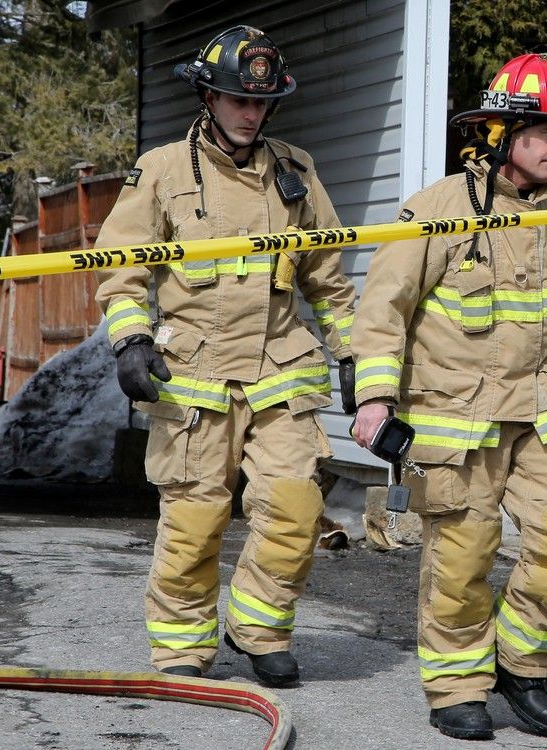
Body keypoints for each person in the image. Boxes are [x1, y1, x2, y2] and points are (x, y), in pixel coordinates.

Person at [351, 53, 547, 740]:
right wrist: (375, 399)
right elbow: (384, 309)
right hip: (458, 416)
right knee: (461, 560)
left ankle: (522, 663)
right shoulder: (439, 209)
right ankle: (455, 686)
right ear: (503, 132)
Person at [93, 25, 357, 687]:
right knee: (194, 517)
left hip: (281, 368)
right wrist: (131, 341)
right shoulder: (160, 171)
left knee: (296, 507)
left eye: (261, 103)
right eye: (237, 98)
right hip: (194, 373)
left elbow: (326, 276)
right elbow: (120, 271)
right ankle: (183, 647)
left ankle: (259, 628)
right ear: (207, 97)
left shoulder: (296, 172)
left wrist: (355, 355)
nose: (250, 112)